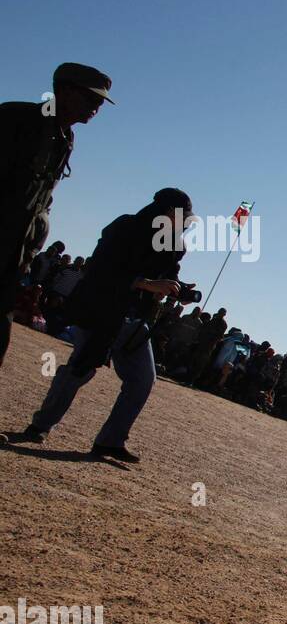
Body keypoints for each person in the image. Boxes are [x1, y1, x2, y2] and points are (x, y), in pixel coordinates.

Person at [1, 189, 193, 461]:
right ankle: (39, 427)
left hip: (134, 321)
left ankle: (110, 442)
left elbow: (168, 276)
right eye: (182, 216)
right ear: (165, 212)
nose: (185, 222)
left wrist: (177, 291)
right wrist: (145, 283)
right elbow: (102, 268)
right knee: (79, 371)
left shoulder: (174, 245)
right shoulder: (126, 228)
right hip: (100, 311)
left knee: (142, 380)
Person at [1, 63, 113, 368]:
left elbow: (41, 198)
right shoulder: (16, 120)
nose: (96, 107)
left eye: (100, 102)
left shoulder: (65, 138)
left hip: (15, 251)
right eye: (91, 99)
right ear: (63, 92)